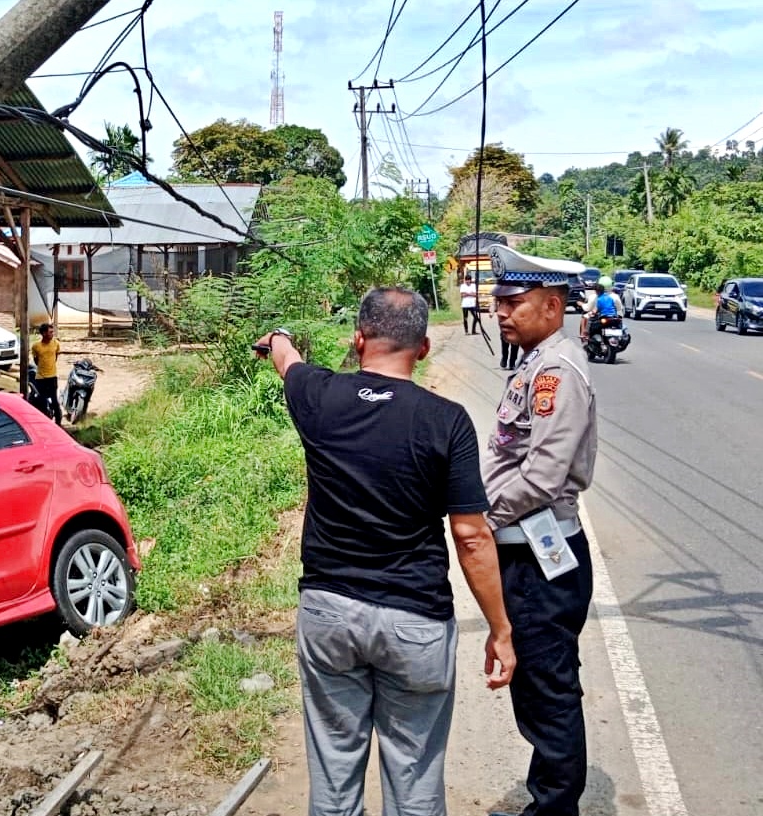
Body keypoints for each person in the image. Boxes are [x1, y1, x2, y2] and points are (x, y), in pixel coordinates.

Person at [255, 287, 515, 816]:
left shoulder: (320, 397)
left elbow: (289, 362)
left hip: (328, 612)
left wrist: (277, 339)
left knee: (333, 773)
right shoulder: (448, 421)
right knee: (414, 780)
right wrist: (499, 627)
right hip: (415, 622)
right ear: (422, 349)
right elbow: (470, 535)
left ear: (357, 340)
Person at [483, 268, 598, 816]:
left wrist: (482, 516)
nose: (502, 313)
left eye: (514, 303)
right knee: (537, 683)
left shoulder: (555, 371)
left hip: (539, 554)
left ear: (553, 306)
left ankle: (554, 809)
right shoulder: (533, 363)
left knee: (547, 689)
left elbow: (544, 475)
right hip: (528, 549)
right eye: (498, 303)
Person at [30, 322, 62, 424]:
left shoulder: (56, 343)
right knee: (42, 400)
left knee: (54, 400)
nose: (52, 334)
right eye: (50, 332)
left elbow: (56, 357)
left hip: (52, 377)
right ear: (44, 333)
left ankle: (58, 422)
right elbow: (36, 361)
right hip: (40, 378)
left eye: (52, 332)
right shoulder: (36, 346)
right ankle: (45, 422)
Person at [494, 296, 520, 370]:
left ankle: (512, 362)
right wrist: (491, 311)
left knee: (515, 342)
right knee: (504, 340)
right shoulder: (501, 293)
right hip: (505, 320)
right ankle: (504, 358)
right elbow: (494, 302)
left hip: (516, 319)